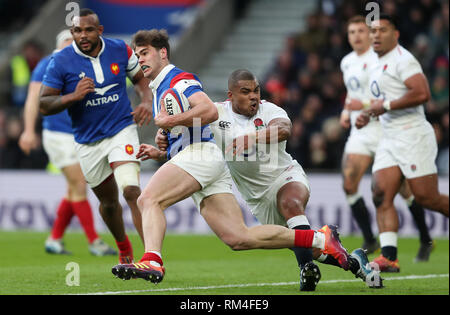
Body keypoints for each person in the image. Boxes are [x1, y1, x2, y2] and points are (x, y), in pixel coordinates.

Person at [111, 29, 379, 290]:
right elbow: (200, 124)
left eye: (145, 53)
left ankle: (152, 261)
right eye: (137, 55)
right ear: (231, 95)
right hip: (226, 175)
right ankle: (322, 239)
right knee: (238, 238)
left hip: (267, 172)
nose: (140, 59)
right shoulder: (172, 91)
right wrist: (164, 145)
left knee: (148, 200)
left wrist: (169, 121)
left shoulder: (177, 78)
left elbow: (206, 110)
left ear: (163, 53)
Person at [39, 9, 153, 263]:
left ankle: (151, 257)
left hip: (121, 129)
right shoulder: (61, 61)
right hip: (87, 140)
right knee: (109, 203)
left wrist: (146, 100)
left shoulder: (120, 50)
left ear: (99, 31)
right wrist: (73, 96)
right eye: (77, 31)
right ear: (72, 33)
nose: (83, 35)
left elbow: (140, 79)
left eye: (88, 30)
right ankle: (124, 248)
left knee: (132, 190)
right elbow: (44, 104)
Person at [356, 14, 449, 272]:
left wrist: (383, 106)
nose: (375, 35)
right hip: (389, 137)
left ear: (395, 35)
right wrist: (368, 113)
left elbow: (422, 93)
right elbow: (381, 100)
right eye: (372, 31)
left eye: (382, 30)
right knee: (380, 193)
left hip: (412, 134)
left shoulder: (403, 59)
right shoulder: (375, 63)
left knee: (427, 198)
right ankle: (389, 257)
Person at [339, 15, 434, 261]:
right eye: (352, 32)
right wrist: (347, 111)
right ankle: (373, 241)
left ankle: (425, 239)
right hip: (362, 130)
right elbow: (353, 95)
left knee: (407, 191)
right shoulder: (346, 62)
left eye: (362, 30)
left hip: (385, 128)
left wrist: (367, 106)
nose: (358, 36)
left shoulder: (382, 58)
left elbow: (386, 94)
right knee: (351, 184)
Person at [19, 29, 116, 256]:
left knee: (73, 190)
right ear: (59, 44)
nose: (73, 44)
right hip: (57, 135)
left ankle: (54, 239)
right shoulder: (48, 63)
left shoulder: (80, 65)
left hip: (78, 135)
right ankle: (94, 242)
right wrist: (28, 131)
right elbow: (33, 99)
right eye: (68, 40)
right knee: (80, 185)